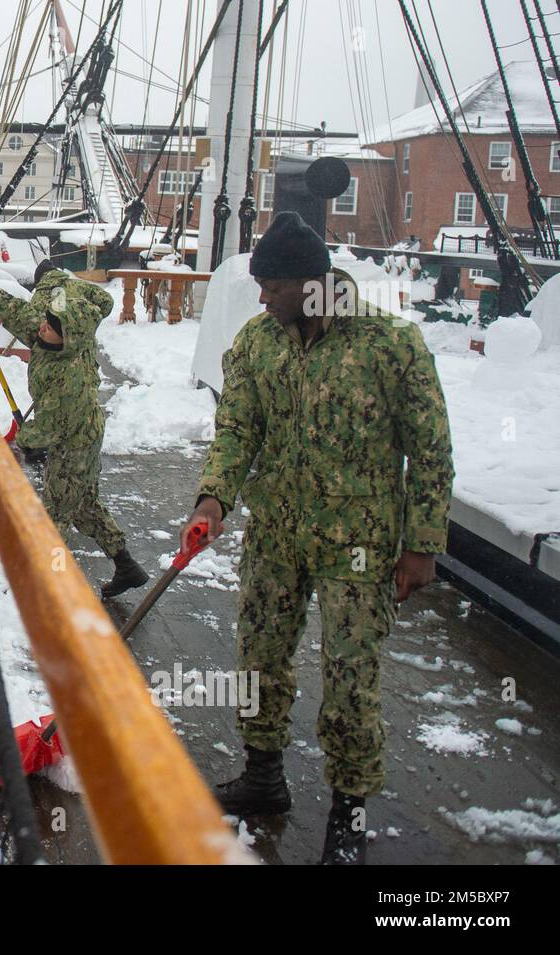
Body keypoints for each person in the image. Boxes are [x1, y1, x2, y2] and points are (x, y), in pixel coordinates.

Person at [180, 211, 454, 864]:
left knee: (350, 677)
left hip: (357, 546)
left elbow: (431, 448)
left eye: (270, 286)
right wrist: (212, 497)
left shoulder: (390, 344)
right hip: (276, 534)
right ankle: (264, 776)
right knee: (259, 657)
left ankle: (348, 811)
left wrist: (420, 545)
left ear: (310, 282)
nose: (263, 297)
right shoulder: (255, 344)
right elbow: (237, 427)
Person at [0, 258, 149, 598]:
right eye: (44, 323)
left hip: (75, 442)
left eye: (50, 328)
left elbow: (46, 429)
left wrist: (16, 443)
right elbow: (13, 308)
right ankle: (126, 566)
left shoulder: (69, 377)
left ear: (69, 338)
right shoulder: (50, 330)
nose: (42, 329)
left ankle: (49, 584)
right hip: (78, 432)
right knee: (85, 506)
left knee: (56, 517)